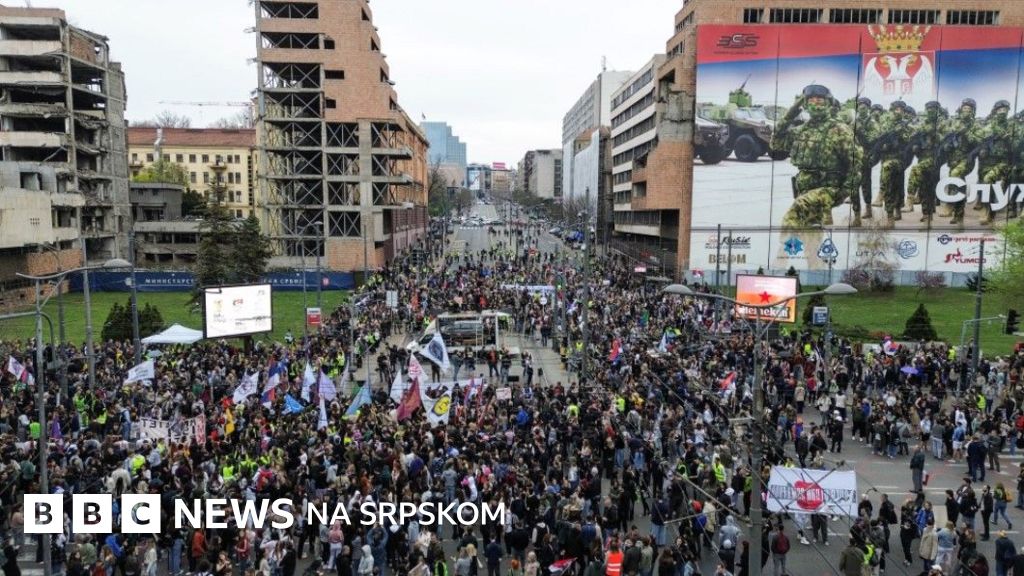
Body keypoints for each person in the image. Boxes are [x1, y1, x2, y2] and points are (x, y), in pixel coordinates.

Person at [770, 84, 862, 228]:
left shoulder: (840, 130)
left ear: (828, 103)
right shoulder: (802, 130)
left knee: (790, 221)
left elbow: (855, 165)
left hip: (828, 190)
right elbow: (776, 143)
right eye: (811, 100)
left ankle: (783, 251)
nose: (815, 103)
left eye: (820, 100)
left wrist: (843, 193)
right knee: (811, 231)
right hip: (803, 190)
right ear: (805, 104)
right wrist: (791, 113)